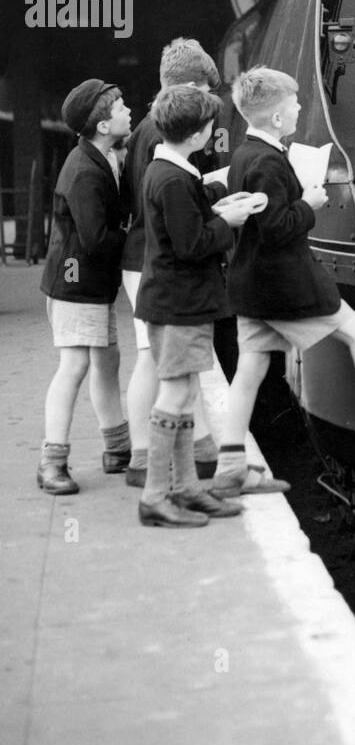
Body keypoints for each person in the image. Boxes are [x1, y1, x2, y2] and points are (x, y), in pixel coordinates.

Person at [214, 67, 355, 497]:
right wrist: (309, 203)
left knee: (250, 370)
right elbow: (277, 228)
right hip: (284, 286)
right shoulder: (268, 162)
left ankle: (231, 465)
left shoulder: (245, 154)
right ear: (275, 117)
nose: (298, 109)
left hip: (252, 285)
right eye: (293, 104)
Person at [134, 85, 255, 527]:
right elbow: (191, 246)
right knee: (176, 394)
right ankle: (154, 495)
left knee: (183, 396)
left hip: (174, 300)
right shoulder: (172, 179)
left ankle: (185, 489)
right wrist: (228, 222)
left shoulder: (166, 169)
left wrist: (216, 208)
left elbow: (181, 228)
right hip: (179, 302)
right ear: (198, 133)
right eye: (209, 126)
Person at [121, 38, 230, 488]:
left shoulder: (148, 130)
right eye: (203, 92)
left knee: (171, 366)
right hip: (153, 260)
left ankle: (196, 454)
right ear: (186, 88)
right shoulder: (156, 136)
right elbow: (170, 209)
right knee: (154, 360)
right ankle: (143, 460)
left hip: (151, 255)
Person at [38, 80, 133, 494]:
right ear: (102, 124)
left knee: (107, 359)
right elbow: (95, 240)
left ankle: (116, 448)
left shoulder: (102, 156)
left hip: (89, 285)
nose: (129, 111)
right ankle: (51, 462)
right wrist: (140, 239)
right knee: (74, 366)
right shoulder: (83, 171)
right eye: (121, 108)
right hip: (75, 284)